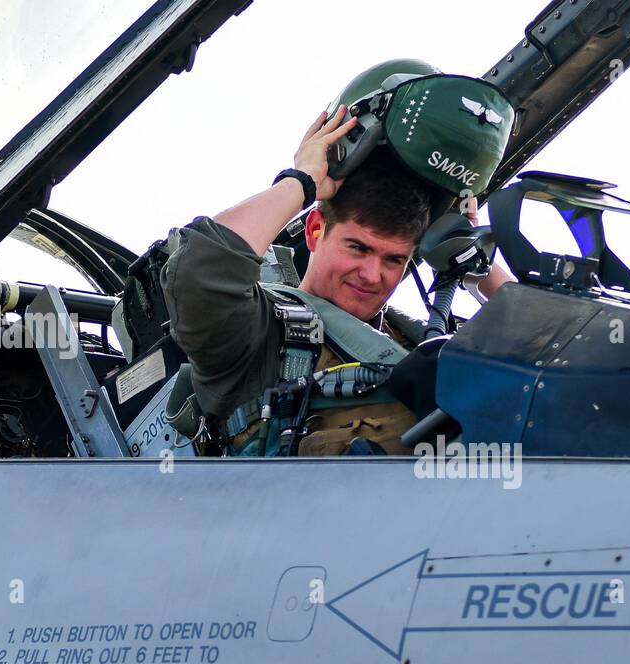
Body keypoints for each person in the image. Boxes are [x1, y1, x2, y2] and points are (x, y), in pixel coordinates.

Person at [160, 103, 511, 456]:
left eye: (394, 259)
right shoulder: (257, 335)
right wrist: (301, 183)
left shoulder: (421, 340)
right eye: (357, 248)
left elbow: (549, 350)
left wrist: (473, 254)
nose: (373, 275)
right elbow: (200, 272)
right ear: (315, 230)